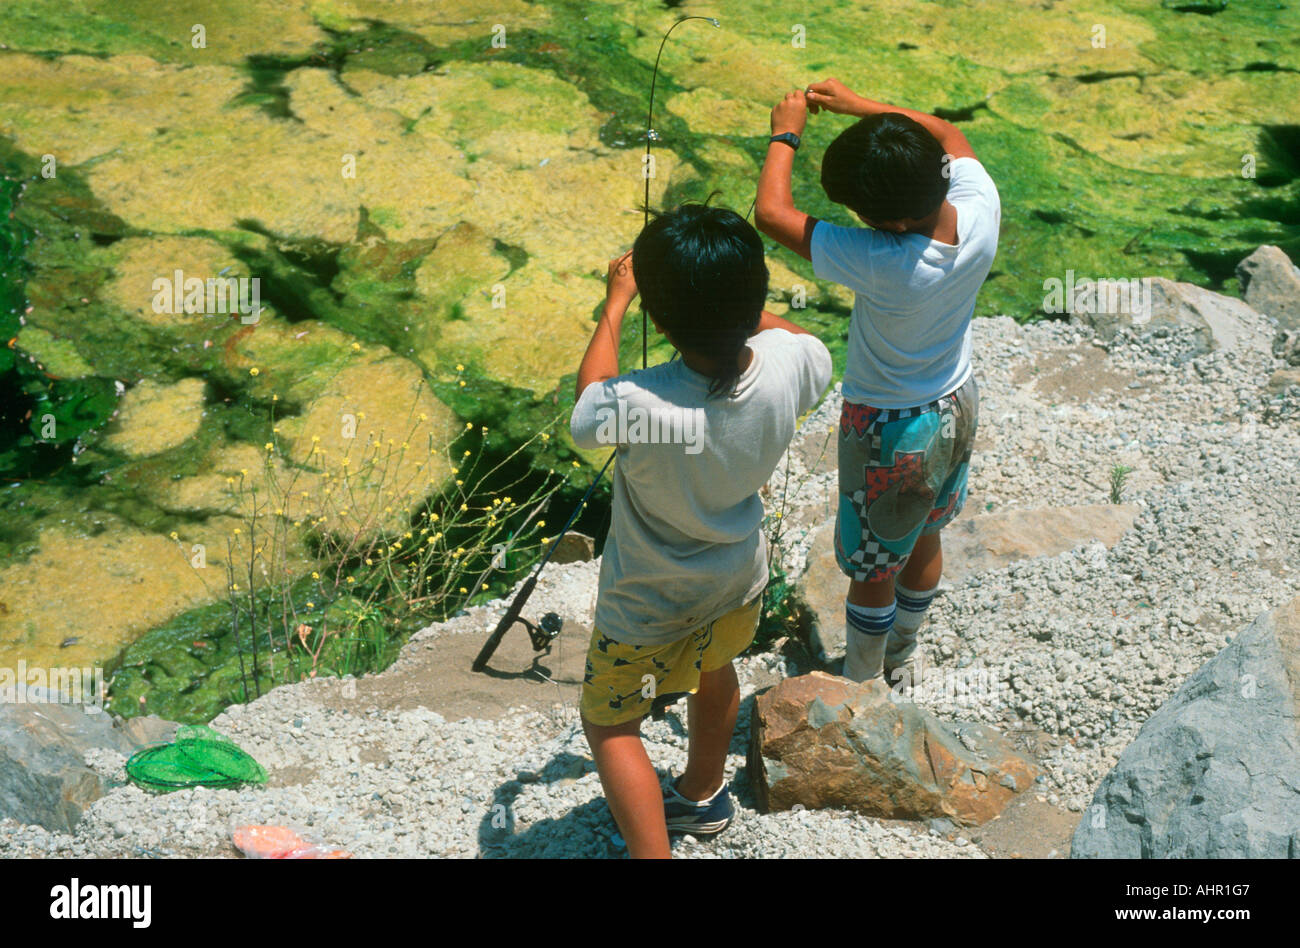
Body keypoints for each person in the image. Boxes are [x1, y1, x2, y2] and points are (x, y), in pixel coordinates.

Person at [571, 204, 832, 858]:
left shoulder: (636, 403)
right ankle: (703, 795)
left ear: (660, 319)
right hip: (738, 579)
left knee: (611, 724)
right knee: (718, 669)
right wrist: (739, 310)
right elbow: (798, 340)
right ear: (757, 298)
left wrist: (618, 300)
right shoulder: (793, 364)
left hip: (646, 599)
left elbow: (588, 401)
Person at [754, 78, 1000, 685]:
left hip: (889, 429)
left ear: (885, 221)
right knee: (926, 533)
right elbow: (944, 131)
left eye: (859, 215)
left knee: (871, 566)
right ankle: (905, 649)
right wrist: (864, 107)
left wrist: (786, 132)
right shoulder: (980, 204)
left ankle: (861, 679)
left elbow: (770, 214)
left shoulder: (883, 261)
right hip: (956, 401)